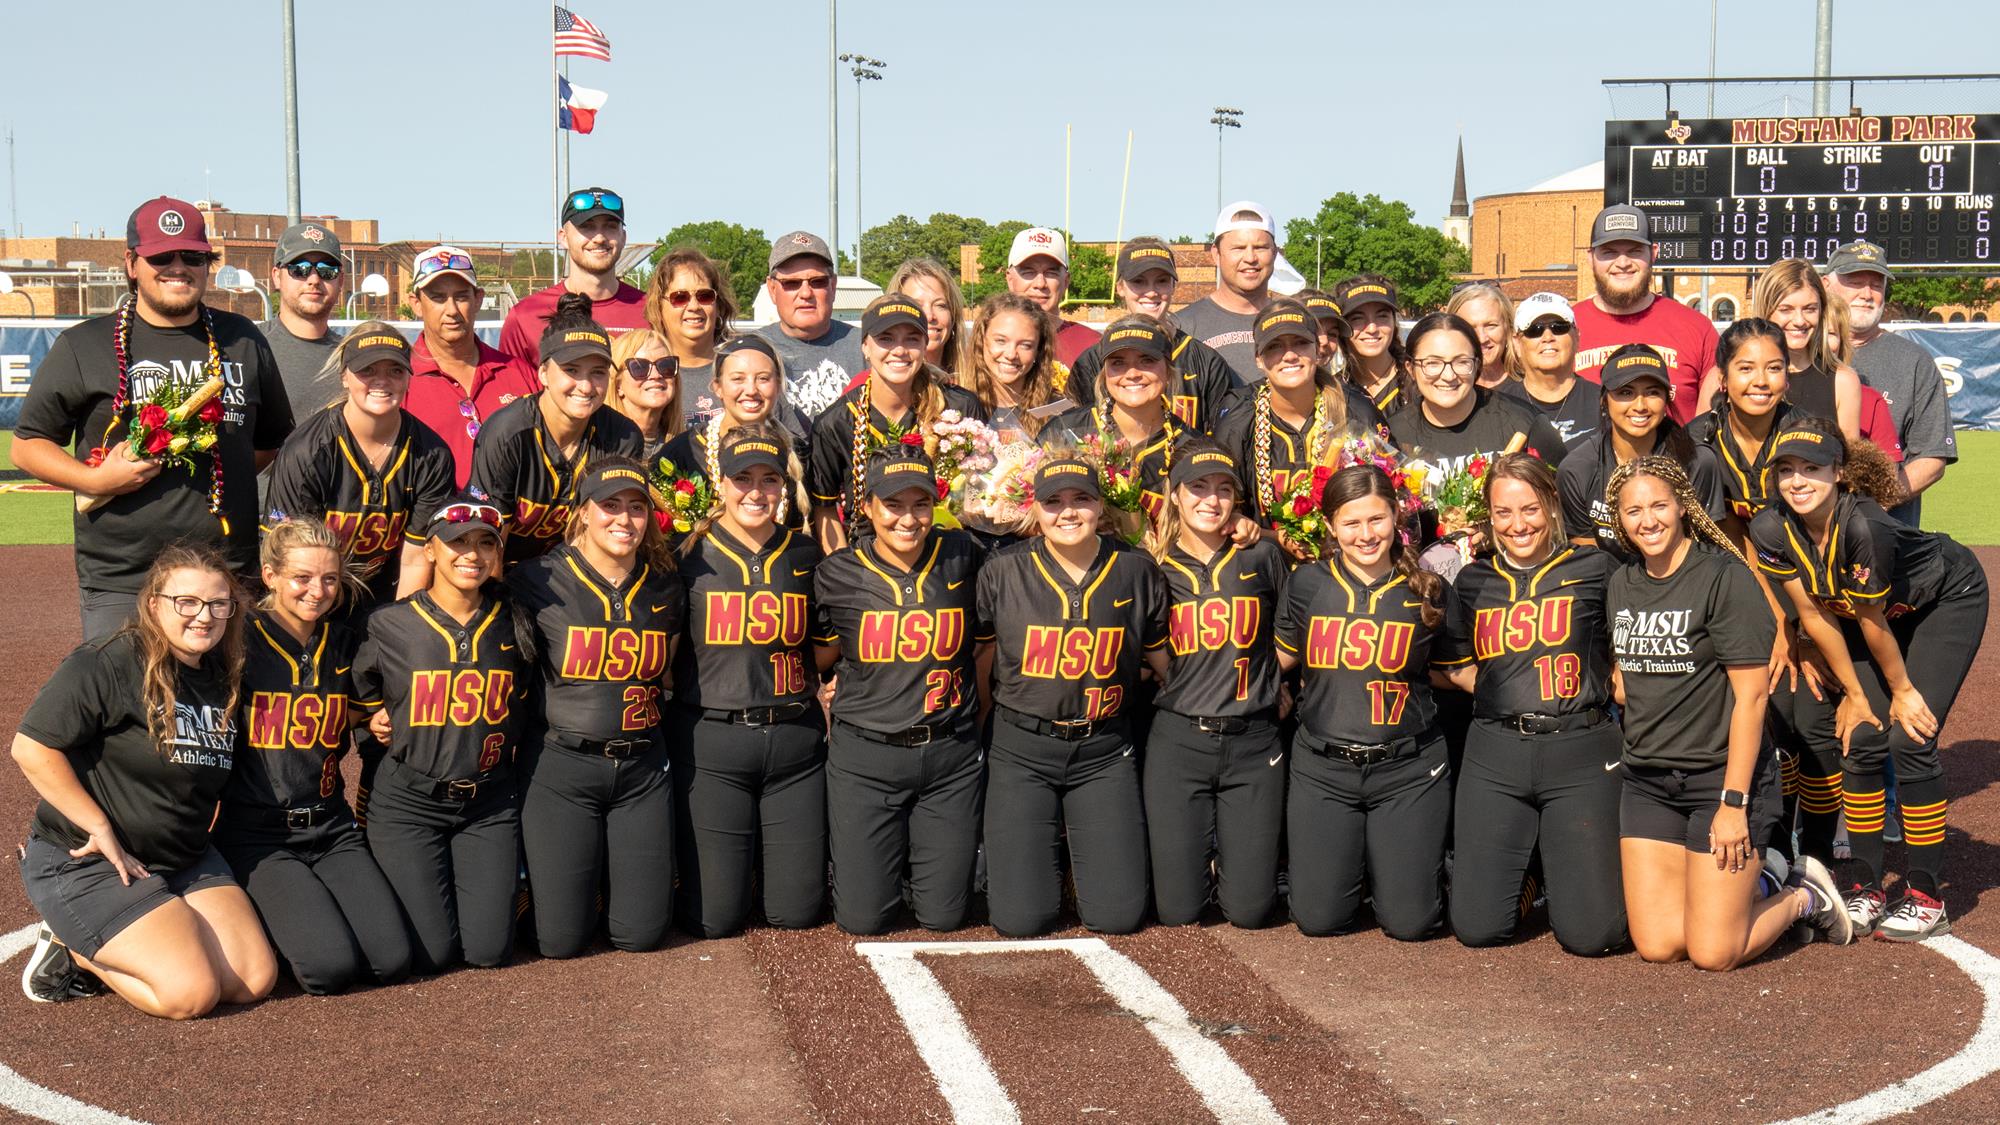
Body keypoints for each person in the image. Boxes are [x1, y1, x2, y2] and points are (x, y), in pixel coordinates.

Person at [1605, 456, 1852, 968]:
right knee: (1660, 946)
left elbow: (1753, 697)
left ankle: (1803, 893)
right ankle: (1758, 879)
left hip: (1719, 780)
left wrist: (1733, 803)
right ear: (1618, 519)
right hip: (1648, 781)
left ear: (1683, 507)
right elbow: (1627, 683)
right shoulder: (1621, 583)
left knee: (1714, 953)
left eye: (1658, 506)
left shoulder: (1723, 579)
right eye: (1633, 511)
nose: (1647, 520)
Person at [14, 196, 295, 642]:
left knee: (225, 706)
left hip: (225, 571)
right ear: (131, 263)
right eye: (161, 256)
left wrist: (224, 476)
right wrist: (96, 481)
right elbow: (27, 445)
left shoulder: (241, 338)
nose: (178, 267)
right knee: (126, 705)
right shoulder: (83, 345)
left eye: (194, 256)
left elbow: (268, 442)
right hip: (123, 576)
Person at [1749, 419, 1988, 941]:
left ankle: (1926, 895)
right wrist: (1856, 696)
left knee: (1911, 737)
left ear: (1839, 472)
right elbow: (1814, 616)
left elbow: (1875, 622)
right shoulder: (1770, 527)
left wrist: (1901, 693)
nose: (1798, 480)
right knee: (1859, 737)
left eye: (1812, 468)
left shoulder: (1865, 526)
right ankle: (1864, 885)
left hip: (1943, 601)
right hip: (1867, 619)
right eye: (1786, 470)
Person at [13, 544, 277, 1016]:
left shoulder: (221, 672)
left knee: (252, 981)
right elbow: (31, 748)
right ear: (154, 604)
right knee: (189, 995)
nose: (204, 616)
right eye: (187, 602)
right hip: (92, 857)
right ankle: (73, 948)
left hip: (183, 856)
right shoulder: (108, 662)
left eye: (219, 604)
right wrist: (97, 825)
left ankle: (144, 923)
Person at [1434, 455, 1625, 955]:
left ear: (1554, 506)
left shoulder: (1597, 568)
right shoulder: (1473, 581)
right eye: (1503, 513)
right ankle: (1532, 879)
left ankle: (1565, 872)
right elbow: (1455, 666)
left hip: (1581, 748)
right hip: (1496, 752)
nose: (1518, 524)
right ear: (1489, 517)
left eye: (1530, 509)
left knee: (1591, 936)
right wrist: (1510, 691)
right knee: (1478, 929)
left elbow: (1626, 653)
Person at [215, 520, 411, 994]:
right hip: (259, 833)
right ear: (270, 575)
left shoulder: (345, 643)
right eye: (301, 577)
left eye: (328, 578)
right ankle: (262, 921)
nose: (316, 591)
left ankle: (301, 916)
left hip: (330, 825)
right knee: (329, 969)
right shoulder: (236, 641)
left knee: (393, 960)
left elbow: (362, 710)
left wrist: (374, 717)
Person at [977, 455, 1169, 936]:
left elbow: (1164, 664)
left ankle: (1073, 874)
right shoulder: (1002, 569)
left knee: (1118, 917)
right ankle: (1043, 878)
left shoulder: (1134, 568)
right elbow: (981, 663)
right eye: (1053, 501)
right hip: (1021, 748)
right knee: (1020, 920)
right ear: (1035, 510)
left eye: (1081, 499)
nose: (1068, 512)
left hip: (1103, 751)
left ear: (1100, 505)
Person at [508, 460, 685, 957]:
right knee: (559, 940)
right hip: (562, 767)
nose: (623, 519)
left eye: (636, 508)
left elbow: (668, 673)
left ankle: (608, 878)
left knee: (642, 935)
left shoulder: (665, 584)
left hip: (642, 769)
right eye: (609, 506)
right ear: (582, 513)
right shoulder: (536, 579)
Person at [812, 450, 988, 934]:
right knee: (863, 919)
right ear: (866, 507)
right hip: (867, 758)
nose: (908, 518)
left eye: (921, 504)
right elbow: (819, 657)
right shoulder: (837, 573)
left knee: (946, 916)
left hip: (949, 755)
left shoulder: (963, 554)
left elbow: (986, 647)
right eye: (893, 504)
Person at [1274, 465, 1450, 939]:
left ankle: (1407, 875)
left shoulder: (1429, 589)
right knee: (1318, 920)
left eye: (1377, 519)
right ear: (1330, 525)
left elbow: (1453, 672)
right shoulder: (1308, 582)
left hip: (1407, 770)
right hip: (1323, 769)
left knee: (1412, 924)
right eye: (1351, 523)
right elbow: (1282, 659)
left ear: (1396, 516)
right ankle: (1363, 871)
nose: (1366, 534)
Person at [351, 497, 526, 973]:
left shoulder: (517, 621)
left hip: (488, 803)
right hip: (410, 802)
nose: (470, 553)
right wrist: (371, 720)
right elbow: (358, 689)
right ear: (429, 549)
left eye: (484, 543)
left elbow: (530, 702)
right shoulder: (390, 624)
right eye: (457, 541)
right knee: (432, 954)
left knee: (489, 951)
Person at [669, 424, 827, 938]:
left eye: (769, 479)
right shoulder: (684, 555)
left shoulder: (806, 556)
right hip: (713, 740)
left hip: (794, 741)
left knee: (797, 913)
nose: (756, 492)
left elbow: (826, 645)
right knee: (714, 920)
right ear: (721, 483)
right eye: (743, 478)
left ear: (785, 486)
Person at [1145, 442, 1288, 928]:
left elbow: (1289, 634)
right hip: (1180, 739)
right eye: (1198, 488)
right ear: (1175, 496)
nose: (1211, 500)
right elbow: (1151, 651)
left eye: (1224, 489)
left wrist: (1274, 683)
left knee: (1250, 912)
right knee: (1179, 911)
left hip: (1253, 739)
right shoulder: (1153, 568)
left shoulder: (1262, 556)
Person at [263, 324, 455, 608]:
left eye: (395, 371)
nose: (382, 381)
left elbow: (416, 560)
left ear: (408, 378)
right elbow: (288, 562)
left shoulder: (431, 454)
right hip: (312, 597)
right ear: (344, 376)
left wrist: (394, 628)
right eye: (367, 370)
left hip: (385, 595)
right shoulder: (307, 450)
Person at [469, 293, 645, 568]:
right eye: (571, 370)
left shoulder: (622, 436)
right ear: (542, 373)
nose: (585, 386)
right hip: (501, 569)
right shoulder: (506, 434)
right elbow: (486, 543)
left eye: (597, 372)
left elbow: (604, 537)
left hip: (574, 572)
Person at [809, 293, 984, 552]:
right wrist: (844, 572)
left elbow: (980, 493)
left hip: (948, 558)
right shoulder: (836, 422)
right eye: (886, 339)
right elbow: (824, 512)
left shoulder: (959, 408)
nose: (899, 350)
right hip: (866, 562)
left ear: (925, 345)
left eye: (911, 339)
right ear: (865, 346)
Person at [1215, 299, 1381, 558]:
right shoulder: (1237, 420)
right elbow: (1220, 512)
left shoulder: (1356, 410)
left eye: (1301, 343)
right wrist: (1274, 536)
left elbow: (1389, 503)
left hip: (1348, 564)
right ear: (1258, 359)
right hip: (1265, 571)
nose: (1290, 355)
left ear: (1318, 350)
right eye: (1274, 347)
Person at [1822, 240, 1957, 525]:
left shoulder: (1914, 361)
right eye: (1855, 281)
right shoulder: (1797, 353)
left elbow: (1932, 458)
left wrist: (1874, 504)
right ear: (1825, 285)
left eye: (1877, 284)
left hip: (1887, 536)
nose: (1867, 294)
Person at [1558, 346, 1727, 559]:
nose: (1640, 405)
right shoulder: (1577, 468)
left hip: (1684, 583)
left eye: (1652, 392)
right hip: (1609, 587)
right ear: (1604, 400)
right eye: (1626, 392)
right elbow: (1589, 563)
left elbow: (1706, 552)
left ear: (1667, 399)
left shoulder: (1697, 462)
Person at [1062, 238, 1237, 432]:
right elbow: (1074, 434)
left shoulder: (1207, 362)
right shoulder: (1093, 360)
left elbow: (1221, 440)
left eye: (1161, 281)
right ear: (1120, 287)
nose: (1151, 292)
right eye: (1138, 281)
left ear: (1173, 286)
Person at [404, 244, 541, 486]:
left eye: (461, 296)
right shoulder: (399, 379)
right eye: (437, 297)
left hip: (513, 523)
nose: (452, 310)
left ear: (478, 299)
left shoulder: (519, 373)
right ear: (416, 303)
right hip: (431, 522)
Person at [1572, 205, 1720, 424]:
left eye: (1634, 251)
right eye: (1609, 252)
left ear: (1653, 253)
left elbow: (1710, 429)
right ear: (1590, 257)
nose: (1622, 263)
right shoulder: (1563, 328)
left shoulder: (1697, 328)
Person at [1041, 317, 1188, 524]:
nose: (1133, 374)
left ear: (1168, 369)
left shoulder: (1190, 446)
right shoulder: (1065, 431)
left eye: (1147, 360)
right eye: (1118, 363)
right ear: (1104, 372)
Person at [1386, 312, 1567, 477]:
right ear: (1410, 368)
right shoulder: (1393, 434)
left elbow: (1561, 497)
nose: (1448, 376)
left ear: (1477, 365)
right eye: (1432, 363)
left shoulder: (1524, 423)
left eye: (1462, 362)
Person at [1693, 260, 1861, 436]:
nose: (1799, 321)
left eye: (1810, 309)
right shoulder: (1722, 377)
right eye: (1786, 309)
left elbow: (1849, 459)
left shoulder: (1843, 381)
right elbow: (1700, 449)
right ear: (1766, 309)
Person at [499, 187, 648, 365]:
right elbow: (511, 387)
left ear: (623, 237)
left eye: (610, 227)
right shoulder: (525, 316)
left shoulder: (653, 311)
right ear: (563, 237)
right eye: (587, 227)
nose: (599, 238)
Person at [657, 334, 812, 498]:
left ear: (778, 385)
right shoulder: (685, 450)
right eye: (738, 379)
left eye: (763, 378)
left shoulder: (798, 452)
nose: (751, 390)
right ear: (718, 387)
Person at [1685, 319, 1803, 526]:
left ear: (1787, 376)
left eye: (1774, 368)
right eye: (1746, 369)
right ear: (1723, 378)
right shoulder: (1696, 440)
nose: (1761, 381)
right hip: (1719, 555)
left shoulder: (1808, 433)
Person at [755, 231, 864, 421]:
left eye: (817, 282)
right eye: (791, 283)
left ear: (833, 286)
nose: (805, 293)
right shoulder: (750, 350)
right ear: (772, 289)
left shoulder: (868, 347)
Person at [1174, 202, 1279, 382]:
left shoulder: (1294, 321)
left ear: (1275, 253)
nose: (1250, 258)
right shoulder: (1181, 327)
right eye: (1238, 248)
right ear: (1216, 254)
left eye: (1260, 247)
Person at [259, 221, 346, 432]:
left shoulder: (353, 355)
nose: (314, 279)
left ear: (341, 280)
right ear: (276, 276)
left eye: (327, 270)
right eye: (300, 269)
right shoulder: (250, 346)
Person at [1500, 293, 1601, 453]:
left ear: (1577, 337)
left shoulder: (1604, 404)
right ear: (1517, 344)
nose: (1548, 337)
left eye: (1559, 327)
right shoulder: (1499, 407)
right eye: (1535, 330)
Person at [649, 247, 735, 429]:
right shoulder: (645, 375)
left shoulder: (745, 365)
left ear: (718, 305)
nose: (694, 306)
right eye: (680, 298)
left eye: (705, 296)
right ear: (659, 307)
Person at [964, 292, 1063, 441]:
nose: (1011, 355)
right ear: (981, 340)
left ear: (1039, 350)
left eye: (1025, 345)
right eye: (1001, 341)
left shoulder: (1055, 410)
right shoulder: (958, 403)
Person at [1003, 226, 1101, 369]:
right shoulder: (988, 344)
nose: (1040, 283)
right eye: (1029, 272)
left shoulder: (1091, 345)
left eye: (1051, 273)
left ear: (1066, 281)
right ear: (1010, 279)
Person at [1334, 274, 1412, 416]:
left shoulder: (1417, 381)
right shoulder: (1332, 390)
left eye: (1382, 316)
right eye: (1357, 318)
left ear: (1394, 322)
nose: (1372, 329)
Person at [606, 327, 682, 462]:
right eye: (640, 367)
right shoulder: (599, 445)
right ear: (618, 384)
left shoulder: (687, 446)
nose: (656, 375)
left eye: (666, 366)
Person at [889, 257, 968, 374]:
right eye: (916, 306)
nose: (929, 316)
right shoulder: (869, 387)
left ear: (953, 316)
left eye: (940, 305)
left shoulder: (976, 384)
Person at [1446, 282, 1521, 389]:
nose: (1481, 339)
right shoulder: (1440, 391)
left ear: (1508, 328)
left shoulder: (1532, 390)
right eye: (1470, 327)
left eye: (1491, 326)